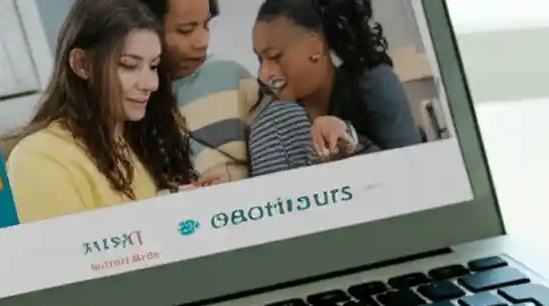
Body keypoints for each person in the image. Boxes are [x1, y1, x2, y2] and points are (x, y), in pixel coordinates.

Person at [7, 0, 196, 224]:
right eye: (129, 65)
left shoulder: (135, 142)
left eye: (153, 66)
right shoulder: (39, 158)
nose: (150, 84)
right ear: (82, 64)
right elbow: (66, 253)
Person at [248, 0, 420, 173]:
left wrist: (349, 140)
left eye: (275, 57)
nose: (264, 73)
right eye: (260, 60)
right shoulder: (273, 118)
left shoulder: (374, 84)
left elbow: (411, 169)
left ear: (314, 47)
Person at [139, 0, 259, 185]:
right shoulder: (133, 102)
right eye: (185, 30)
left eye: (206, 24)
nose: (203, 42)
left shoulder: (233, 80)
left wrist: (234, 180)